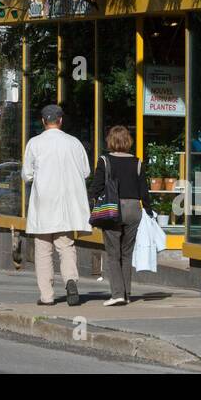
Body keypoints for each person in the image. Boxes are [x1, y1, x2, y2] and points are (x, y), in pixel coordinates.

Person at [22, 104, 91, 307]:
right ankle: (70, 280)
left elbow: (27, 174)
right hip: (67, 204)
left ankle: (47, 296)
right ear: (61, 120)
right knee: (66, 246)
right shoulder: (74, 143)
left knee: (43, 250)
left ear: (44, 121)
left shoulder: (35, 143)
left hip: (44, 203)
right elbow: (85, 172)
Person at [89, 124, 147, 306]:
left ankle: (117, 294)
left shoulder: (105, 161)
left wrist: (91, 200)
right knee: (127, 253)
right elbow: (143, 190)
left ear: (110, 141)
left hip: (112, 208)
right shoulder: (137, 162)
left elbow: (96, 187)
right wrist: (149, 209)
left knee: (113, 253)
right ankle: (127, 293)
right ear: (128, 141)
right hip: (133, 208)